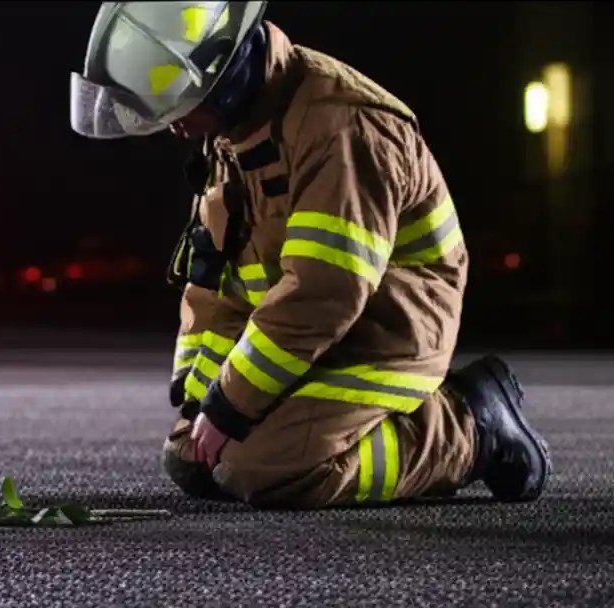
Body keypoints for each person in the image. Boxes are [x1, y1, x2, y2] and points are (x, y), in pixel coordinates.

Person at [69, 2, 553, 508]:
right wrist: (202, 398)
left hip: (385, 331)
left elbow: (325, 291)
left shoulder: (342, 125)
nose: (172, 126)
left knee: (261, 469)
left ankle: (470, 426)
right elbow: (221, 277)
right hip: (313, 333)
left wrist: (231, 404)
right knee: (192, 460)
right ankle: (315, 427)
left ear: (224, 76)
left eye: (177, 104)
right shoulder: (234, 134)